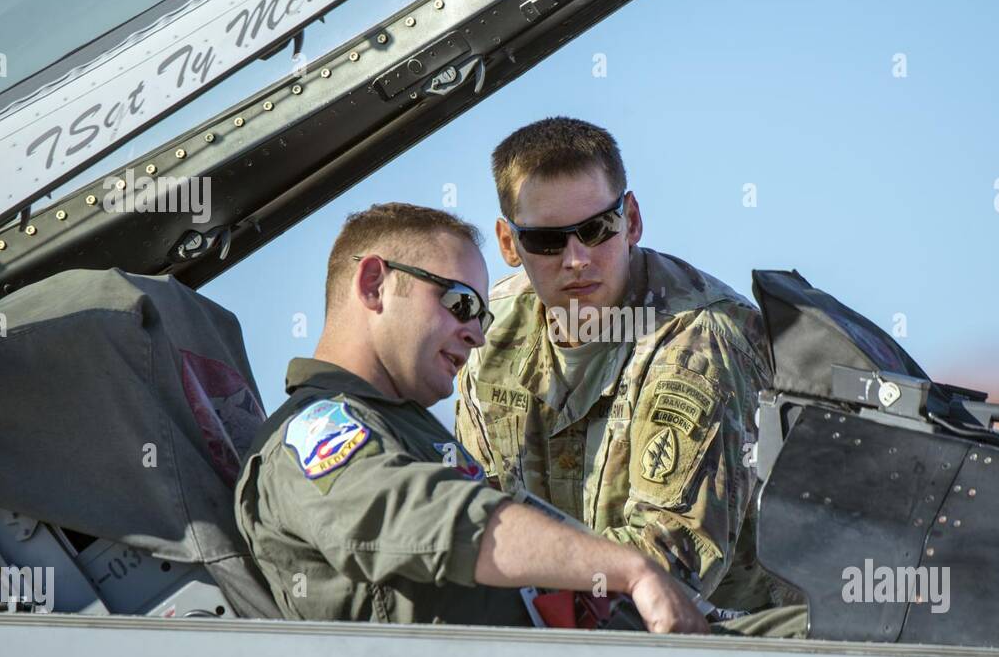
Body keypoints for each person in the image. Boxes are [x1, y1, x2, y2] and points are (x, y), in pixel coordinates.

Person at [234, 202, 707, 633]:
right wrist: (631, 569)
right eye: (460, 304)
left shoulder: (404, 429)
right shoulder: (313, 435)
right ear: (374, 284)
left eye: (483, 315)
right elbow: (431, 519)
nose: (477, 336)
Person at [455, 117, 797, 613]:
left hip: (721, 649)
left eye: (596, 230)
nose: (576, 259)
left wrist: (505, 566)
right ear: (509, 244)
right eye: (547, 241)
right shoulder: (491, 334)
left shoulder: (699, 341)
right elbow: (472, 511)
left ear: (631, 220)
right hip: (559, 642)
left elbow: (671, 562)